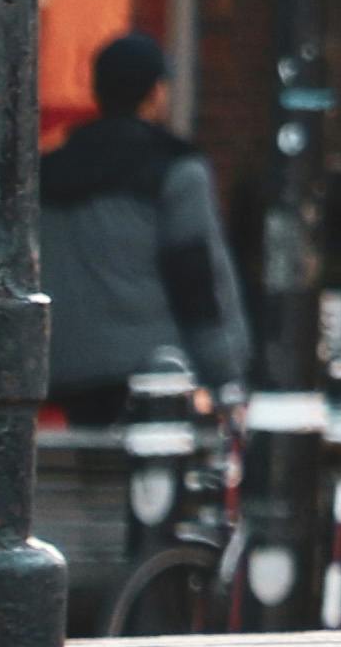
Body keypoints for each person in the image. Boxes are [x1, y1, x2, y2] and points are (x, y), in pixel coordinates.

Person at [42, 33, 243, 422]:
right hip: (155, 372)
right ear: (155, 92)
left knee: (85, 477)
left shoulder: (49, 172)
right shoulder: (178, 172)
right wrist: (226, 377)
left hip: (66, 372)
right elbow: (197, 280)